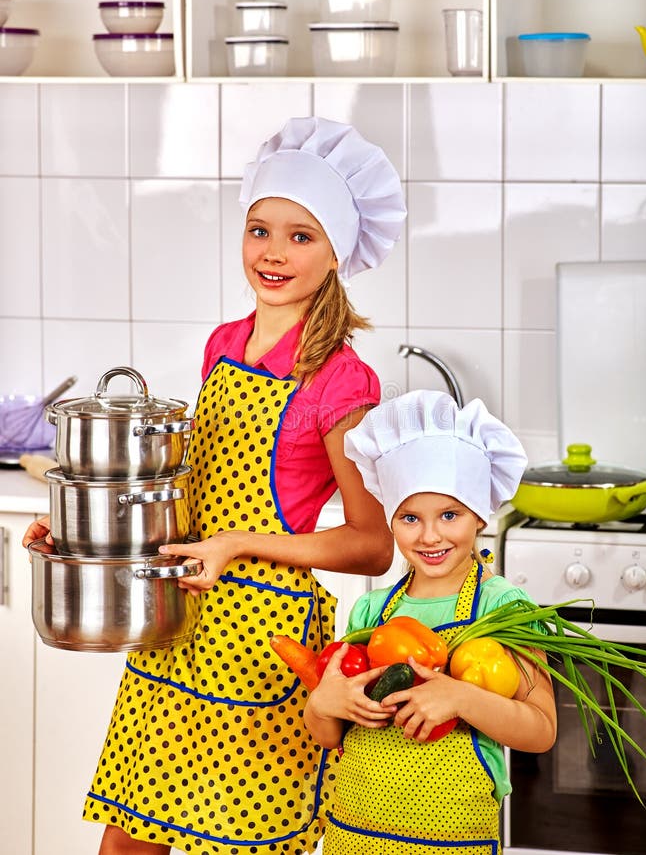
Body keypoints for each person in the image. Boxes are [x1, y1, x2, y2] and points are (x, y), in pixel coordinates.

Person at [22, 116, 407, 855]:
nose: (273, 252)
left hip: (259, 647)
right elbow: (186, 495)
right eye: (260, 230)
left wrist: (236, 545)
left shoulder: (341, 379)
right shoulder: (224, 344)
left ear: (337, 254)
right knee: (126, 842)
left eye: (302, 236)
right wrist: (77, 538)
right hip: (174, 626)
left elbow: (369, 545)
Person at [304, 390, 558, 855]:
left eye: (449, 514)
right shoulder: (371, 612)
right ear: (391, 521)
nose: (430, 535)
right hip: (353, 835)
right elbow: (326, 735)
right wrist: (324, 704)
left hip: (454, 840)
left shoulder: (503, 607)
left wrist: (460, 696)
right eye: (409, 518)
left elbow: (541, 731)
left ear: (479, 515)